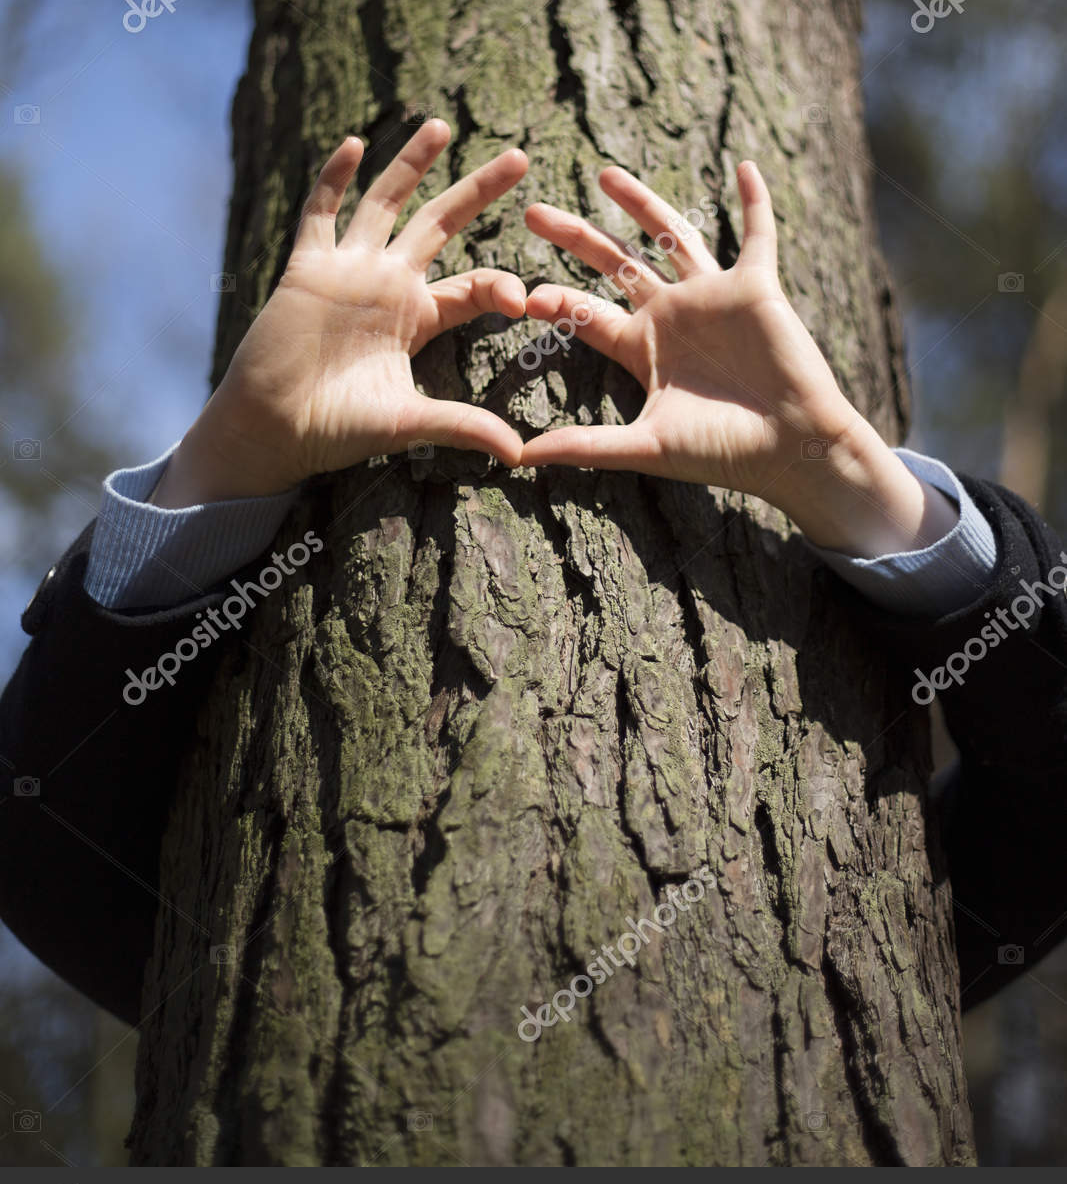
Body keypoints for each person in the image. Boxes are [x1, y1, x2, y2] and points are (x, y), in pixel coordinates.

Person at [1, 121, 1064, 1026]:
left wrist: (842, 473)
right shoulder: (214, 965)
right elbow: (41, 849)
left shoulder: (891, 968)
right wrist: (227, 464)